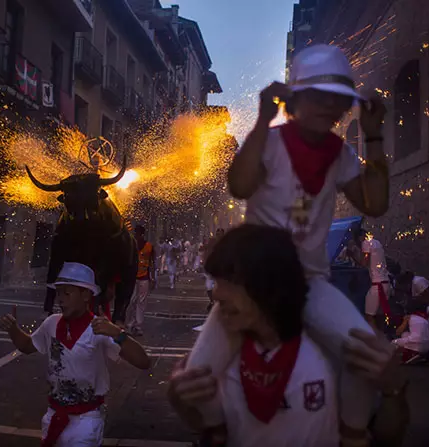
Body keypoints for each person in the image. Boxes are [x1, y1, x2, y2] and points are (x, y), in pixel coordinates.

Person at [190, 44, 390, 446]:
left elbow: (375, 204)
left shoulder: (341, 155)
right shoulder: (271, 142)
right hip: (252, 284)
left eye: (337, 100)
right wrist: (263, 120)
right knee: (198, 373)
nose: (329, 107)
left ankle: (352, 436)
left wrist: (373, 136)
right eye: (318, 95)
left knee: (366, 352)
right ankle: (216, 433)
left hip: (308, 281)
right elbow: (239, 185)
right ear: (294, 100)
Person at [169, 226, 410, 447]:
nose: (217, 294)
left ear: (268, 285)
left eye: (231, 282)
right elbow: (202, 424)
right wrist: (180, 398)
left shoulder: (330, 347)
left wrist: (393, 389)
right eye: (216, 282)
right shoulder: (220, 350)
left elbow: (386, 437)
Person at [0, 262, 150, 447]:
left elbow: (143, 361)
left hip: (86, 421)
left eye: (67, 293)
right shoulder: (51, 324)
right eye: (59, 293)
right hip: (53, 415)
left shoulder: (100, 328)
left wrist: (118, 334)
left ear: (86, 295)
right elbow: (27, 345)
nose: (60, 299)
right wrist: (13, 329)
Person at [124, 226, 155, 336]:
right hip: (132, 277)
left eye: (138, 234)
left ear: (142, 235)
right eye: (135, 234)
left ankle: (138, 325)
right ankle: (129, 324)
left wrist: (152, 277)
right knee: (132, 301)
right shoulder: (131, 245)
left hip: (144, 278)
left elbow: (151, 263)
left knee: (141, 302)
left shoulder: (149, 247)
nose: (137, 236)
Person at [358, 230, 391, 330]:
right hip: (386, 283)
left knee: (369, 316)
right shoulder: (377, 243)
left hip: (377, 286)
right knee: (380, 315)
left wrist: (355, 253)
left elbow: (364, 263)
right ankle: (383, 337)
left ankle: (375, 340)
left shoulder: (366, 243)